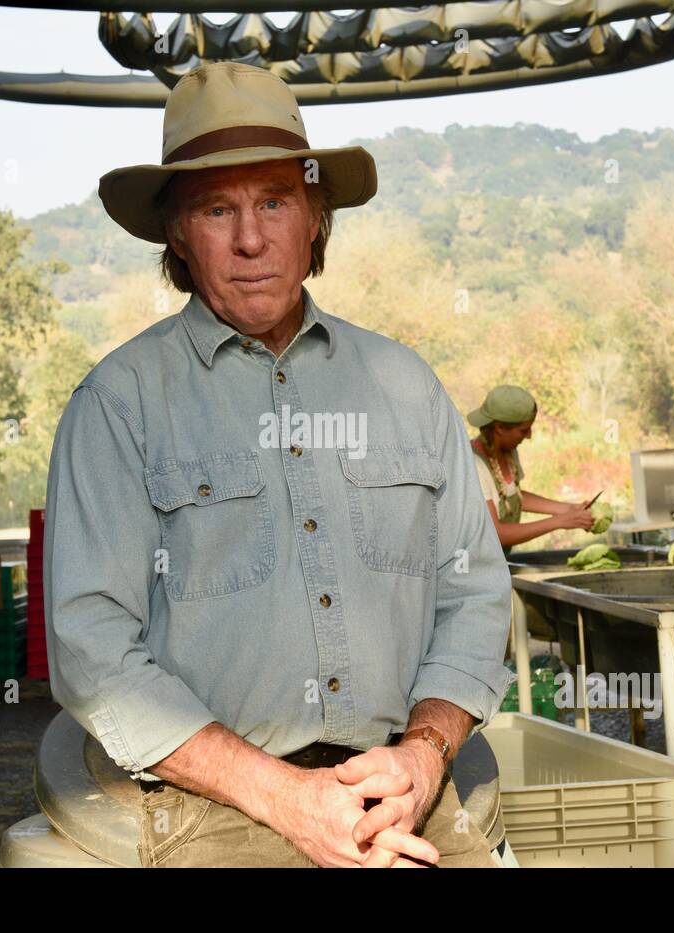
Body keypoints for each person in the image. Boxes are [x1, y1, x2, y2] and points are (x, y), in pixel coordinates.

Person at [44, 61, 513, 868]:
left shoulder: (405, 385)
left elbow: (473, 595)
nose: (251, 237)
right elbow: (92, 647)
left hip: (400, 788)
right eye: (218, 208)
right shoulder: (117, 404)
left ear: (316, 217)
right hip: (209, 804)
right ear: (178, 236)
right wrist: (284, 798)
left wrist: (424, 754)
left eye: (274, 200)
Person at [468, 385, 596, 551]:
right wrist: (560, 521)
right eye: (523, 430)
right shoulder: (474, 465)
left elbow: (514, 496)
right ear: (499, 428)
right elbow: (497, 534)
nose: (529, 436)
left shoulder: (507, 451)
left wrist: (567, 509)